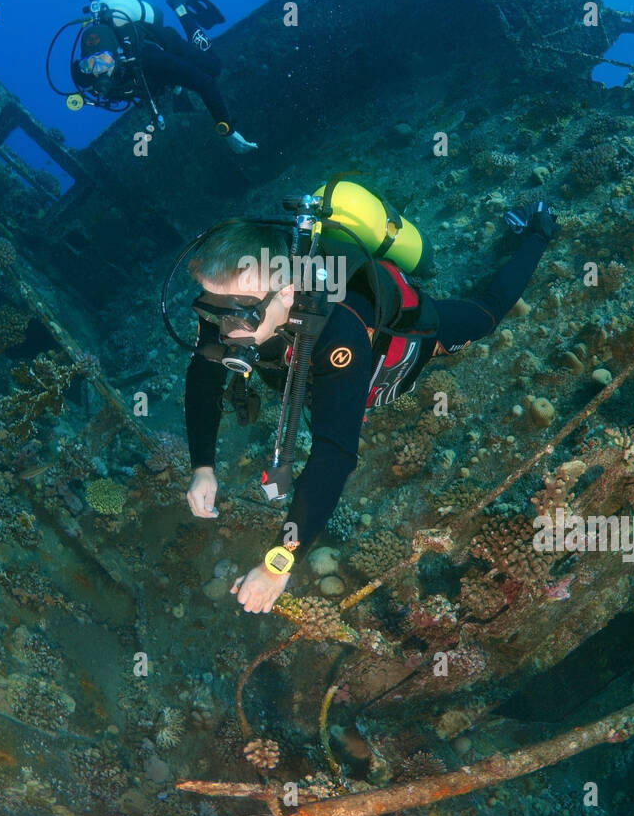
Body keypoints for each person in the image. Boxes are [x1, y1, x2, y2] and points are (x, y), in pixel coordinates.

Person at [184, 199, 559, 613]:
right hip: (313, 372)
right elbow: (203, 377)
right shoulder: (228, 306)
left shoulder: (337, 331)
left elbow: (335, 453)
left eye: (242, 313)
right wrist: (203, 467)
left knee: (486, 315)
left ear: (287, 293)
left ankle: (539, 230)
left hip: (402, 352)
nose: (226, 329)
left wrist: (279, 562)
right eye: (211, 310)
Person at [71, 0, 258, 152]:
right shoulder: (87, 77)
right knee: (167, 79)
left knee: (214, 67)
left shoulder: (149, 58)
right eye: (89, 65)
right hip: (149, 70)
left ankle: (180, 9)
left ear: (117, 55)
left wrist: (226, 129)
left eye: (104, 61)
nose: (98, 71)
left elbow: (205, 83)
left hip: (165, 42)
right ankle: (174, 83)